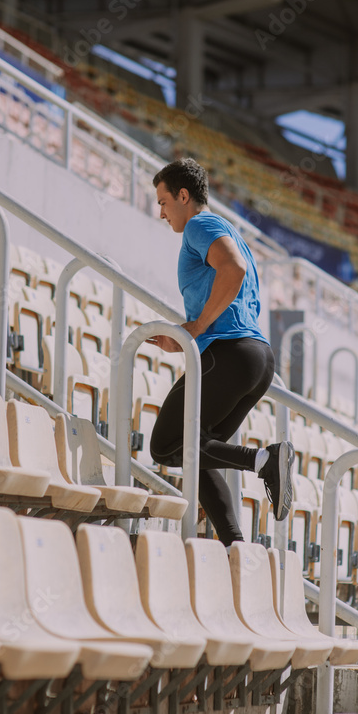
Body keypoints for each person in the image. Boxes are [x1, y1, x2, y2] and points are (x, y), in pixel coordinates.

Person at [147, 157, 294, 547]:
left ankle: (265, 461)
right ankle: (235, 548)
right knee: (197, 453)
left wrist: (194, 329)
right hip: (255, 358)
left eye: (163, 202)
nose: (160, 213)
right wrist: (185, 337)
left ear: (183, 195)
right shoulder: (230, 231)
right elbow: (232, 290)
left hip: (231, 354)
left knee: (165, 445)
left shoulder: (199, 224)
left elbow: (234, 270)